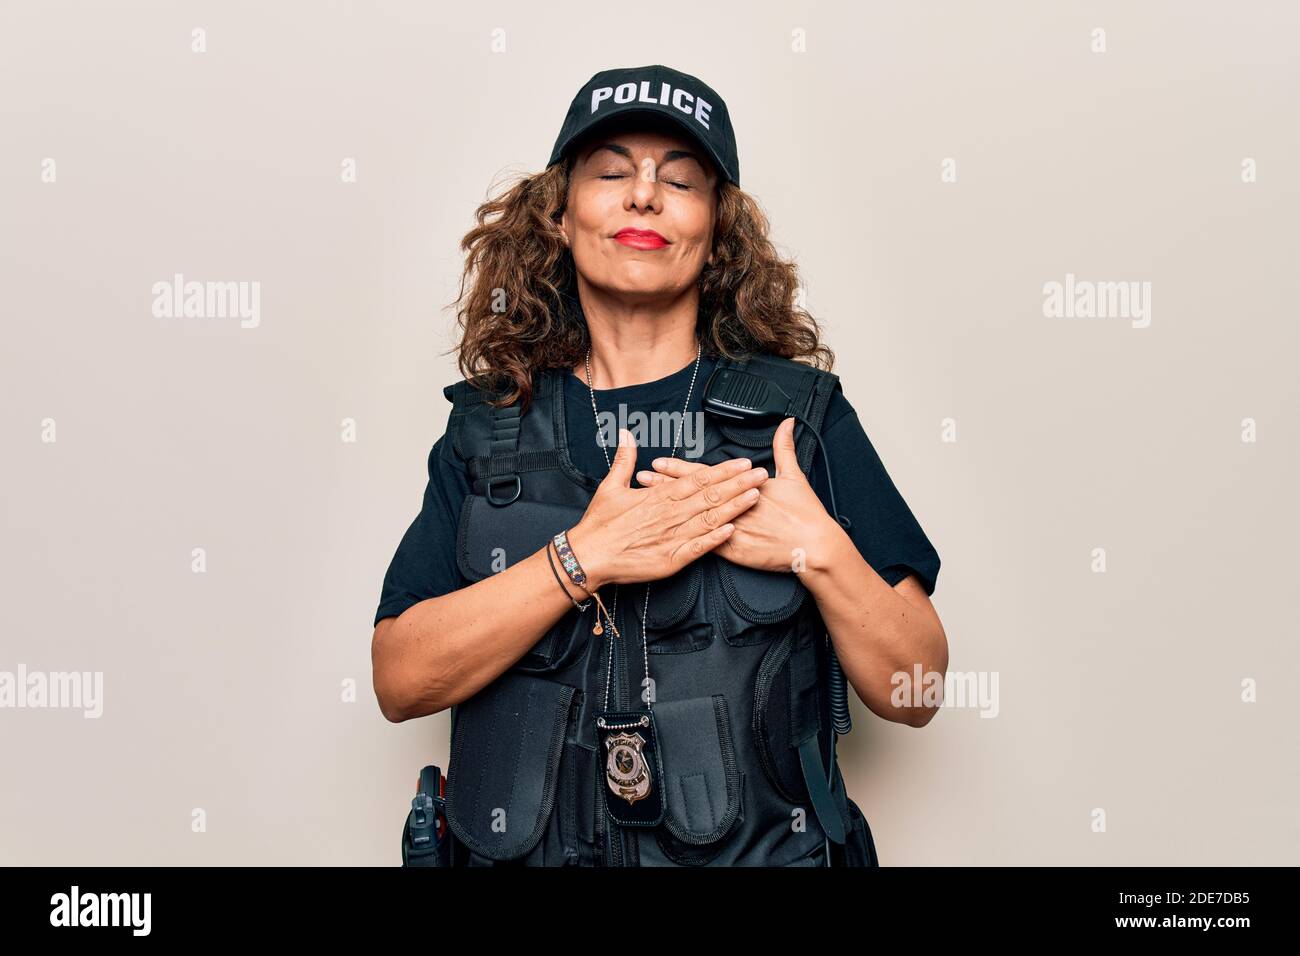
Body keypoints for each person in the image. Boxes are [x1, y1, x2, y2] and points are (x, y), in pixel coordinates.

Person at [372, 64, 947, 866]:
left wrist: (819, 551)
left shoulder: (800, 422)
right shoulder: (486, 431)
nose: (643, 195)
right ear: (560, 219)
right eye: (611, 173)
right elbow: (400, 680)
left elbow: (915, 687)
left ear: (716, 238)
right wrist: (584, 559)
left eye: (679, 181)